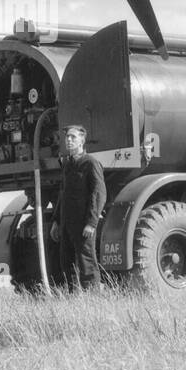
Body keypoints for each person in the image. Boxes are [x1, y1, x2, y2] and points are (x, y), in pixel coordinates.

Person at [50, 124, 106, 291]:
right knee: (66, 262)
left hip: (83, 223)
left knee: (86, 261)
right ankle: (73, 295)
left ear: (82, 140)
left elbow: (98, 193)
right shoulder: (68, 165)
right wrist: (57, 222)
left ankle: (93, 296)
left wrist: (91, 222)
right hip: (67, 223)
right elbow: (63, 195)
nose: (68, 140)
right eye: (67, 137)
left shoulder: (90, 163)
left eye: (73, 137)